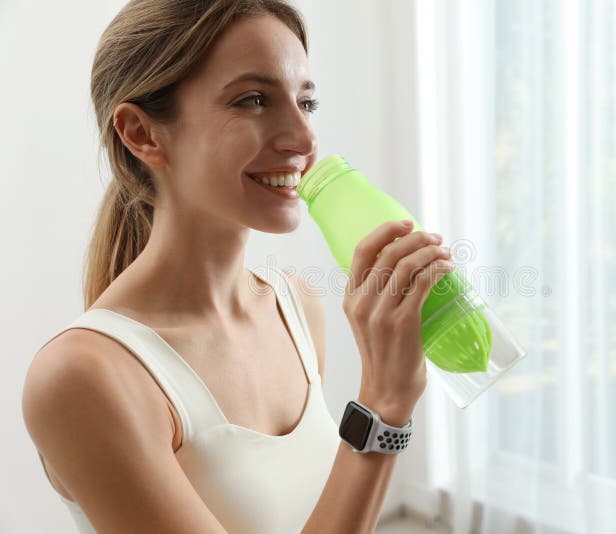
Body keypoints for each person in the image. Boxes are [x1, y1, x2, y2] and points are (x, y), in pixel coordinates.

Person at [20, 1, 454, 532]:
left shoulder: (296, 305)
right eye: (253, 99)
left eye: (307, 102)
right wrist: (383, 406)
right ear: (142, 133)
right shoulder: (84, 376)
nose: (304, 138)